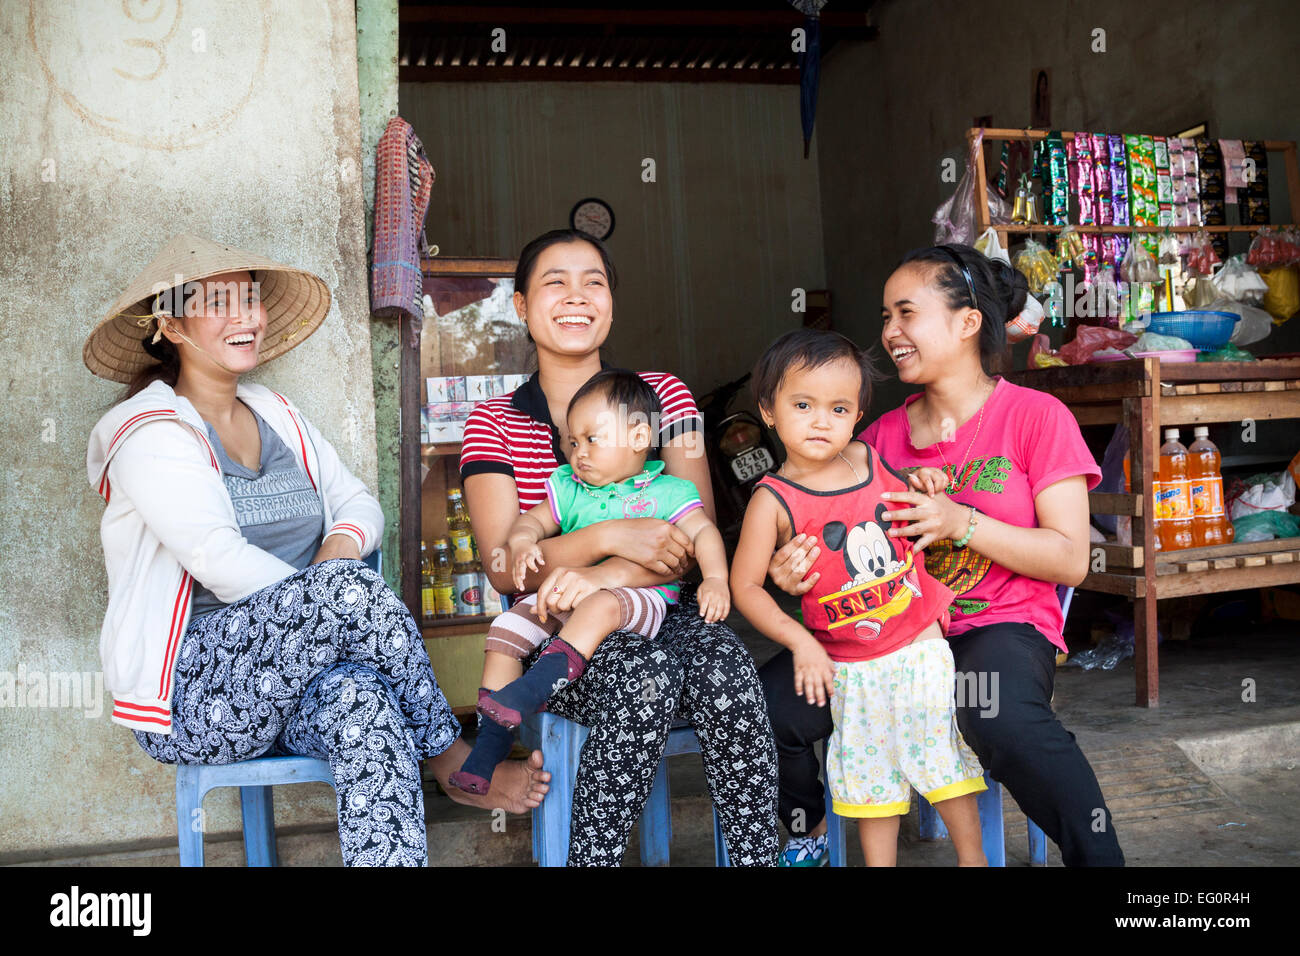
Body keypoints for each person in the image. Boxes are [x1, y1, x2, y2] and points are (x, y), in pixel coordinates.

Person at [83, 234, 548, 867]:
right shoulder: (147, 433)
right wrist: (331, 598)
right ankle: (449, 755)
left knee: (366, 707)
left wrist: (331, 566)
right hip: (197, 694)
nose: (245, 316)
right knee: (347, 594)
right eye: (219, 301)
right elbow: (219, 559)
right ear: (170, 325)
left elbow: (361, 508)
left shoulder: (276, 414)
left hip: (306, 676)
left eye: (250, 299)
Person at [760, 243, 1125, 867]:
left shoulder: (1037, 417)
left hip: (996, 624)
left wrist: (962, 521)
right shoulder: (872, 438)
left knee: (995, 710)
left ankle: (1101, 863)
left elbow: (1072, 560)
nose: (890, 333)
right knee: (765, 706)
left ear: (966, 323)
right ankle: (809, 836)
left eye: (906, 314)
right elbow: (823, 538)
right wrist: (789, 569)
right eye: (884, 318)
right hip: (880, 638)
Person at [460, 228, 779, 866]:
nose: (576, 297)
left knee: (729, 669)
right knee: (645, 680)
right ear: (520, 306)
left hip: (666, 608)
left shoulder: (664, 396)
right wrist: (607, 538)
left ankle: (756, 860)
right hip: (560, 636)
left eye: (594, 283)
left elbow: (687, 538)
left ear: (612, 302)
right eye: (555, 283)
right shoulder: (493, 420)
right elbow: (505, 569)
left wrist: (599, 569)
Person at [731, 329, 987, 866]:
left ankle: (974, 861)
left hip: (918, 643)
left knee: (941, 759)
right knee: (872, 783)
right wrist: (799, 642)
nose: (821, 420)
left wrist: (928, 484)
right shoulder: (772, 500)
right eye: (803, 405)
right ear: (769, 412)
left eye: (839, 407)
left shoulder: (870, 459)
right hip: (846, 664)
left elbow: (910, 508)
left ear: (857, 414)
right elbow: (745, 587)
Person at [450, 369, 730, 794]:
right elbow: (532, 520)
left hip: (637, 597)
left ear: (638, 438)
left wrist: (716, 579)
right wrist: (524, 541)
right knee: (504, 628)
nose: (578, 453)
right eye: (573, 442)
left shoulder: (668, 491)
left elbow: (703, 533)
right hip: (570, 593)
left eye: (591, 440)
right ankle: (488, 750)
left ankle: (537, 685)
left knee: (601, 606)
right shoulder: (569, 486)